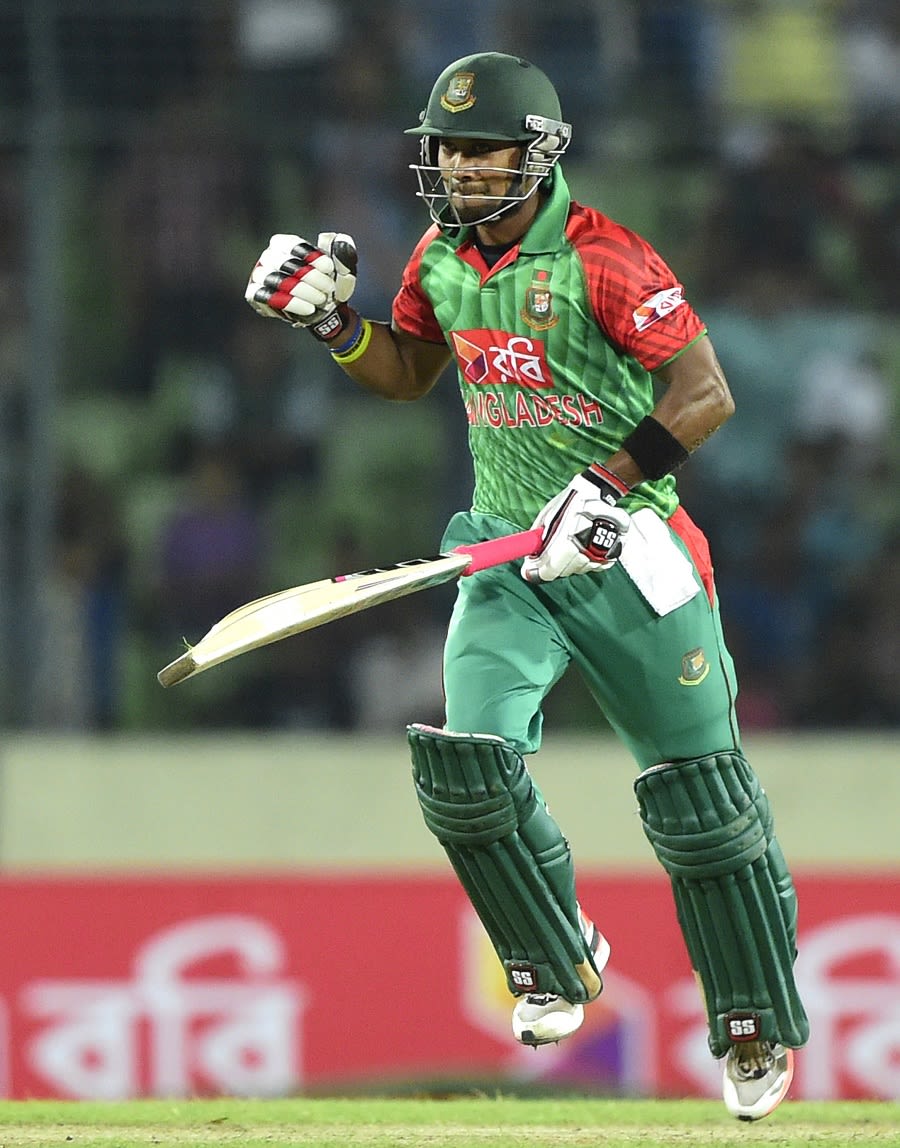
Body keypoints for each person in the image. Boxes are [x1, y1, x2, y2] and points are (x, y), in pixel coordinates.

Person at [244, 51, 809, 1120]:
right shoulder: (441, 259)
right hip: (507, 556)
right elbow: (408, 370)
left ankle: (749, 1022)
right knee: (467, 769)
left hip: (628, 554)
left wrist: (608, 481)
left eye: (478, 148)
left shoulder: (609, 259)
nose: (456, 167)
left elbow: (706, 393)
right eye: (446, 148)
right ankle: (556, 953)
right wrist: (331, 323)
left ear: (537, 154)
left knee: (704, 805)